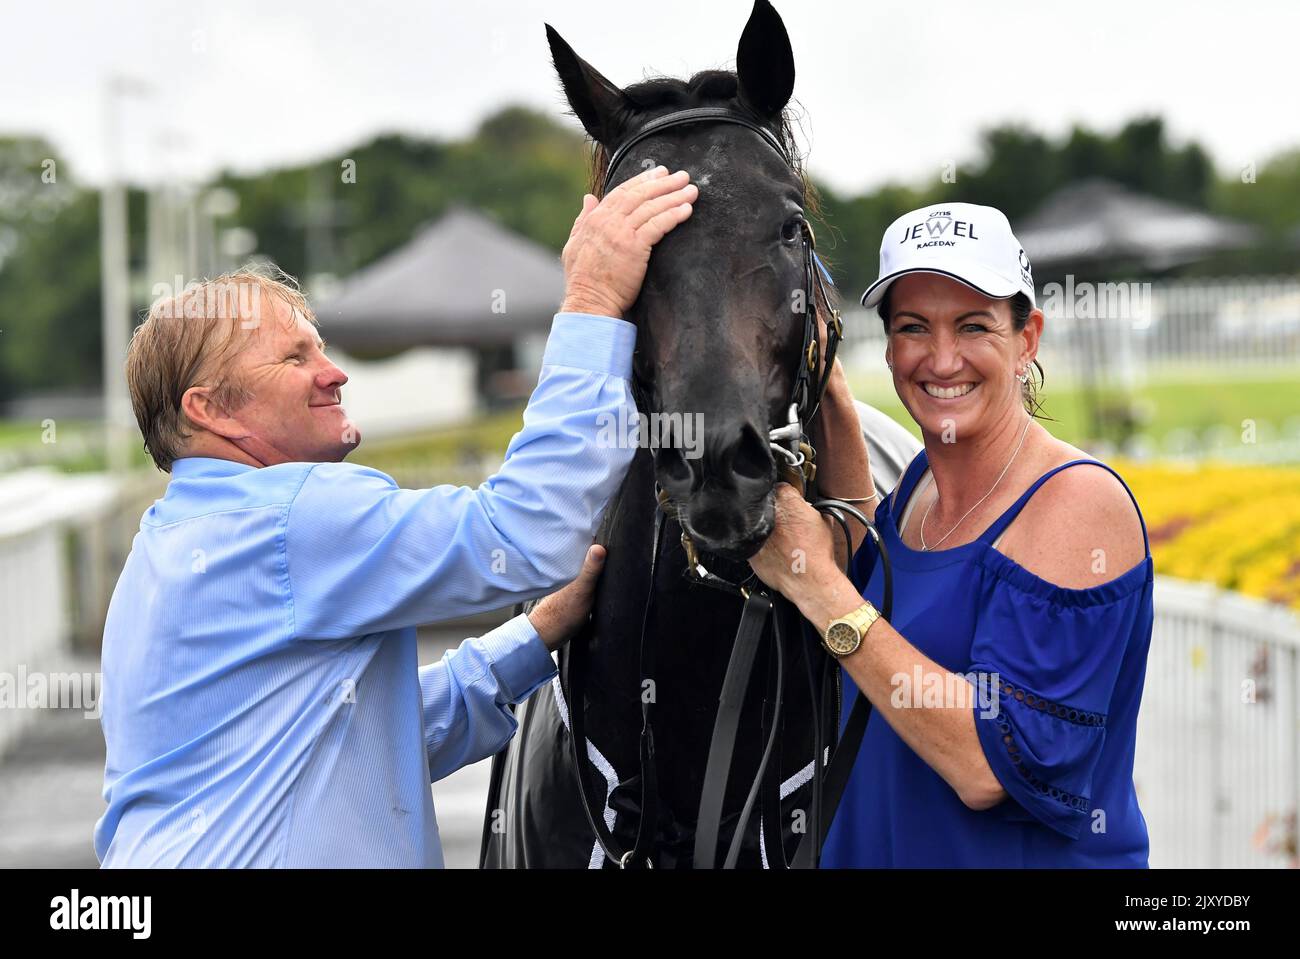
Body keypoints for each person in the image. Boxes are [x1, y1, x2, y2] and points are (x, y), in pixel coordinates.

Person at [94, 166, 699, 867]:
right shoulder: (292, 516)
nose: (335, 371)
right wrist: (592, 301)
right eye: (295, 356)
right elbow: (528, 530)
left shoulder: (162, 545)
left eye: (321, 345)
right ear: (210, 409)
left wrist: (532, 637)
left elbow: (364, 737)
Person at [748, 202, 1153, 867]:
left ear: (1027, 338)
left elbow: (989, 763)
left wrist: (811, 582)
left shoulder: (1077, 503)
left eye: (973, 326)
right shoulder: (918, 486)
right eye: (913, 327)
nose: (941, 358)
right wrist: (830, 393)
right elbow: (871, 583)